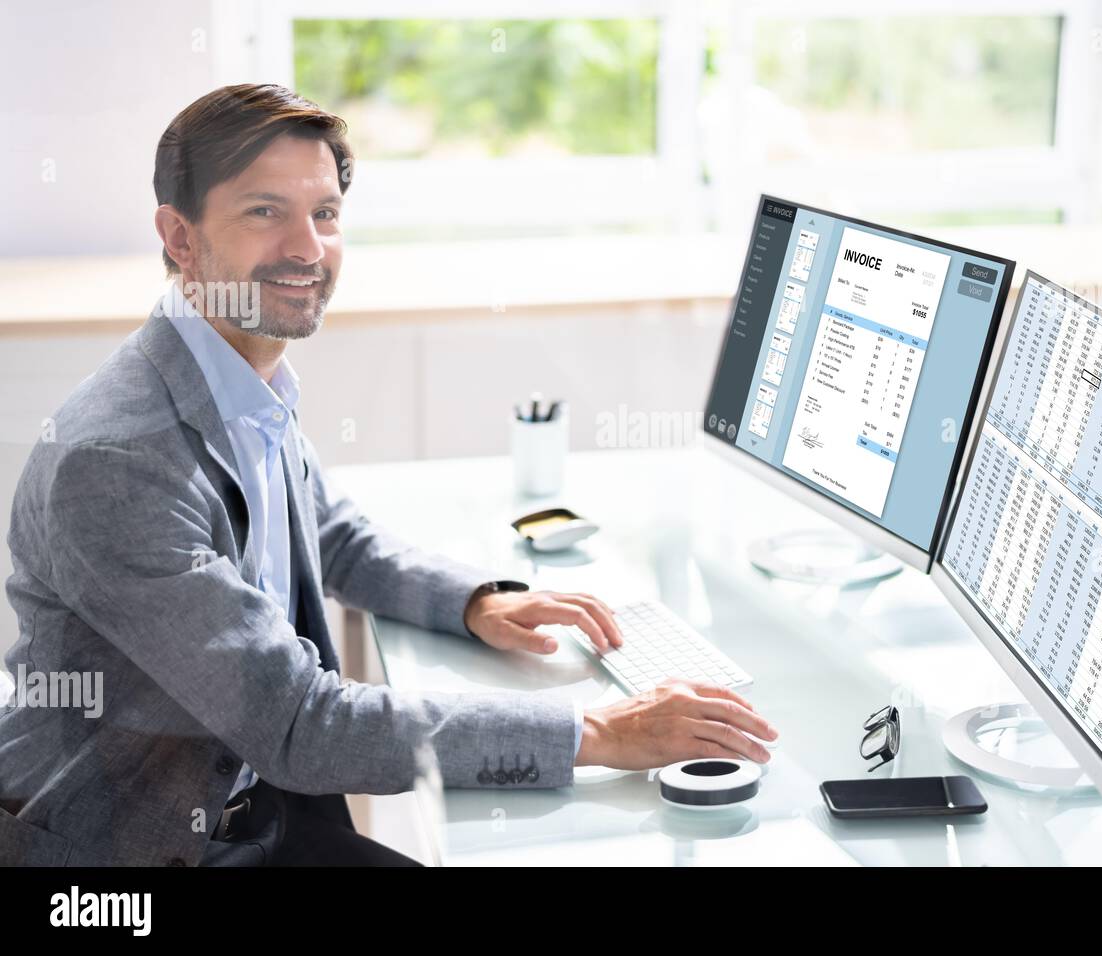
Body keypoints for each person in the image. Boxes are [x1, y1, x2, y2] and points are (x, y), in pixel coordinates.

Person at [0, 84, 777, 867]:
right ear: (180, 237)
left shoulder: (236, 376)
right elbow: (302, 723)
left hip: (256, 806)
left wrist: (477, 602)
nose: (307, 248)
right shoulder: (117, 463)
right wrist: (600, 733)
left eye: (326, 214)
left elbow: (327, 535)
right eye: (264, 212)